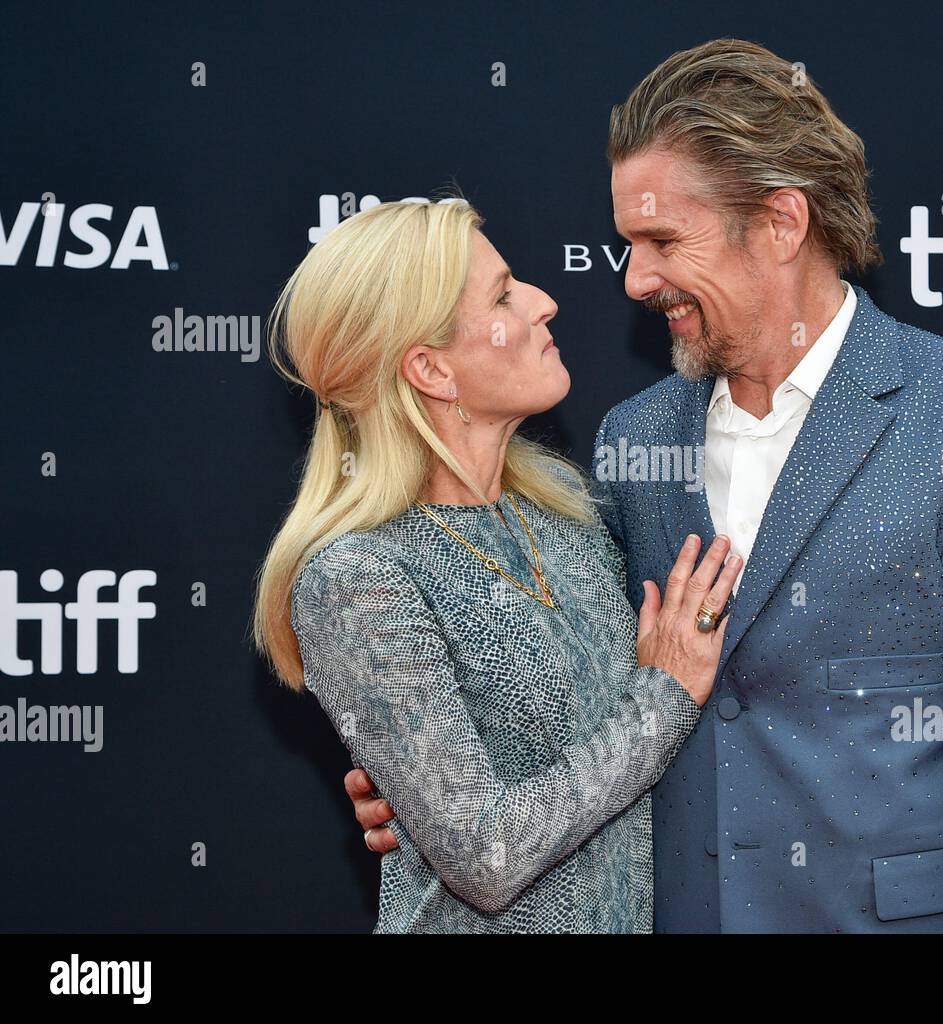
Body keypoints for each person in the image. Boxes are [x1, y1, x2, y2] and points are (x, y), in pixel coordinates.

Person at [351, 39, 943, 933]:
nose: (636, 280)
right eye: (627, 245)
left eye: (664, 241)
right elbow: (590, 689)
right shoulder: (633, 437)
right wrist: (427, 775)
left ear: (781, 222)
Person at [252, 196, 743, 933]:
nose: (546, 303)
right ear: (430, 369)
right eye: (505, 295)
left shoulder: (569, 514)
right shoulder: (357, 577)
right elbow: (487, 856)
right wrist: (665, 695)